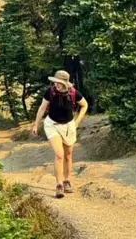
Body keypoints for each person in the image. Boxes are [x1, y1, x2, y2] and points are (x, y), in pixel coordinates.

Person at [31, 70, 89, 198]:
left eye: (59, 82)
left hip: (68, 126)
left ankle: (67, 181)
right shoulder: (50, 92)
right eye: (55, 82)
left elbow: (84, 105)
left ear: (65, 83)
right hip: (52, 125)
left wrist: (77, 122)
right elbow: (42, 108)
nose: (56, 84)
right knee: (59, 155)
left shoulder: (74, 93)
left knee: (68, 155)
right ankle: (59, 185)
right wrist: (36, 125)